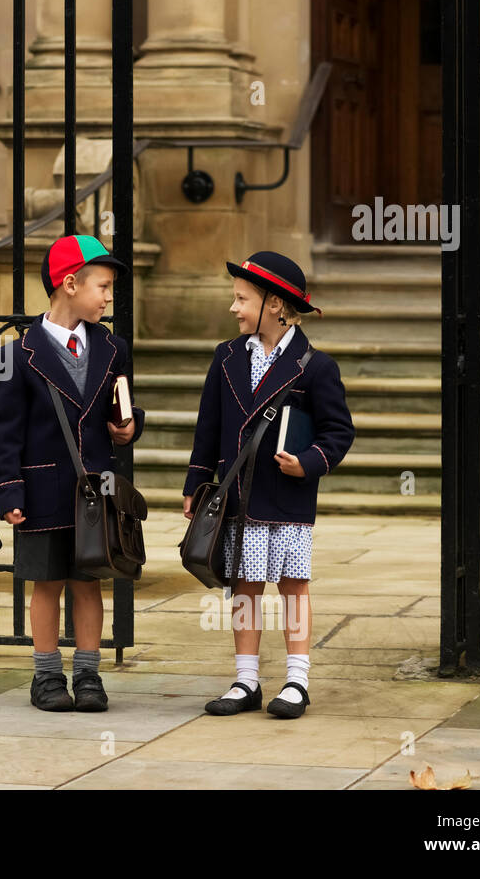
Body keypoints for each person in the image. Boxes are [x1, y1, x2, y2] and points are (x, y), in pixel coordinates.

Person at [183, 252, 355, 719]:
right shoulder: (226, 357)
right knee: (245, 587)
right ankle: (246, 680)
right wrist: (197, 483)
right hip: (238, 498)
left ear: (275, 304)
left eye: (242, 299)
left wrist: (309, 463)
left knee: (293, 587)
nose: (234, 307)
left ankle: (297, 680)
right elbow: (208, 426)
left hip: (288, 499)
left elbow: (338, 432)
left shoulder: (315, 366)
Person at [0, 234, 145, 712]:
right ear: (70, 284)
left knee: (88, 582)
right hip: (41, 490)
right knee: (47, 583)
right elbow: (6, 431)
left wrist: (128, 427)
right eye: (103, 286)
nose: (108, 296)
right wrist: (9, 489)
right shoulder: (15, 354)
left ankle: (90, 674)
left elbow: (120, 408)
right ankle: (46, 675)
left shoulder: (112, 348)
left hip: (94, 491)